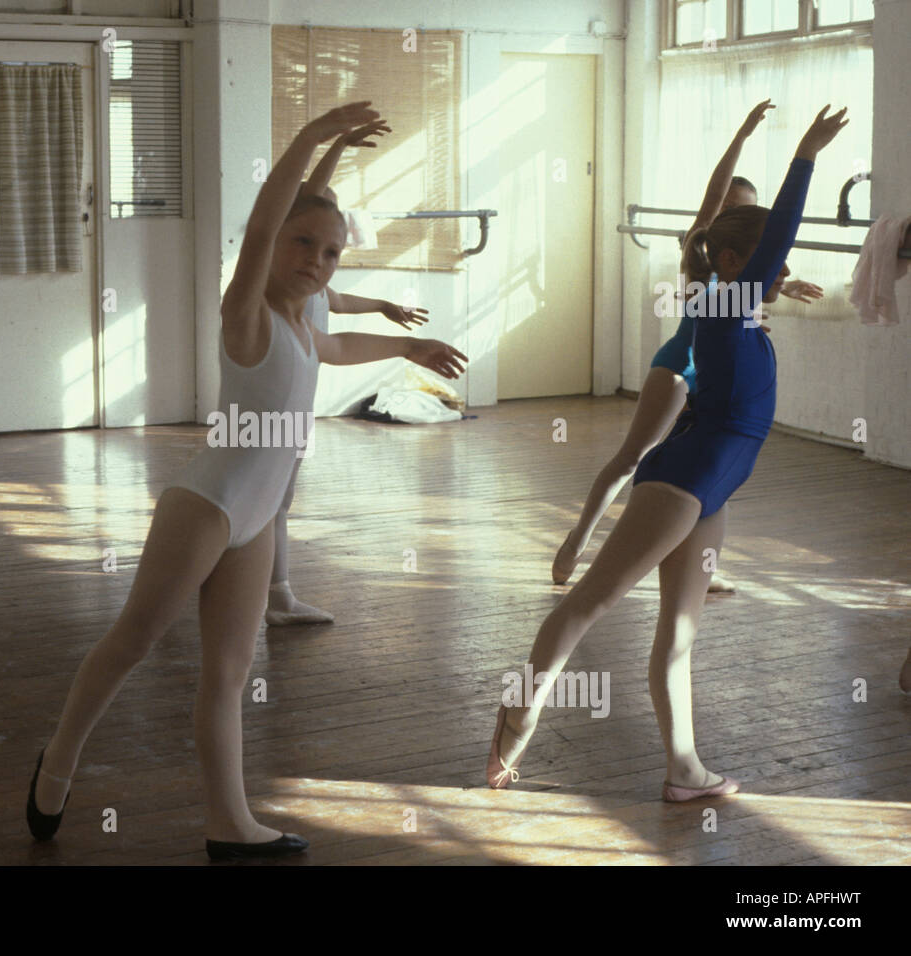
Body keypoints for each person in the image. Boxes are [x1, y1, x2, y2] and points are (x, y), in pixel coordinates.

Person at [27, 101, 468, 860]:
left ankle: (228, 824)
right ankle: (59, 757)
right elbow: (269, 225)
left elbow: (336, 339)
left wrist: (408, 346)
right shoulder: (249, 315)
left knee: (229, 675)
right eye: (303, 245)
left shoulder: (303, 326)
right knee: (134, 640)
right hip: (206, 506)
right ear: (269, 249)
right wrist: (313, 137)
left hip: (256, 518)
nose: (316, 260)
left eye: (330, 253)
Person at [492, 105, 848, 801]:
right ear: (735, 263)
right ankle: (520, 711)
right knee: (591, 602)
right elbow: (777, 234)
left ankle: (684, 770)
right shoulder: (721, 302)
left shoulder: (737, 307)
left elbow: (769, 262)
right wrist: (804, 153)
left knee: (679, 635)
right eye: (770, 264)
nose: (780, 272)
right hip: (684, 479)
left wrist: (780, 285)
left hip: (712, 490)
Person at [552, 100, 824, 592]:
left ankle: (699, 564)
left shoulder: (751, 274)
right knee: (633, 457)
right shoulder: (701, 253)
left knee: (713, 467)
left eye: (744, 210)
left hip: (718, 382)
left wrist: (785, 286)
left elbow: (752, 286)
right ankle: (579, 538)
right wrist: (742, 135)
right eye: (730, 209)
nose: (732, 213)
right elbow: (715, 195)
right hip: (681, 366)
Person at [266, 125, 433, 627]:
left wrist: (384, 307)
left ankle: (274, 594)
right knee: (266, 504)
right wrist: (333, 143)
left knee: (278, 503)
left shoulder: (316, 287)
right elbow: (300, 200)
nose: (320, 251)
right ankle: (270, 594)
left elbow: (339, 314)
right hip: (266, 415)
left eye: (332, 245)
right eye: (306, 235)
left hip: (295, 409)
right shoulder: (271, 288)